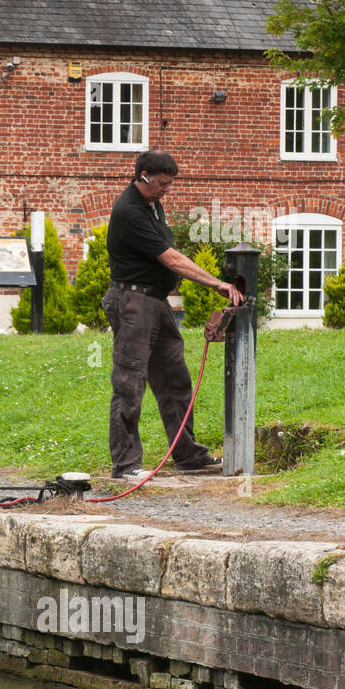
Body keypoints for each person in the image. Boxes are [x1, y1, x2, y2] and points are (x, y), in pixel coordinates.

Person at [102, 150, 243, 481]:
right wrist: (217, 284)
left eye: (170, 184)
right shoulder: (130, 211)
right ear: (145, 177)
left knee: (175, 379)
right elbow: (172, 259)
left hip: (156, 303)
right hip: (132, 302)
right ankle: (125, 466)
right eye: (163, 184)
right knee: (129, 382)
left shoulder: (154, 204)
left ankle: (187, 455)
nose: (167, 190)